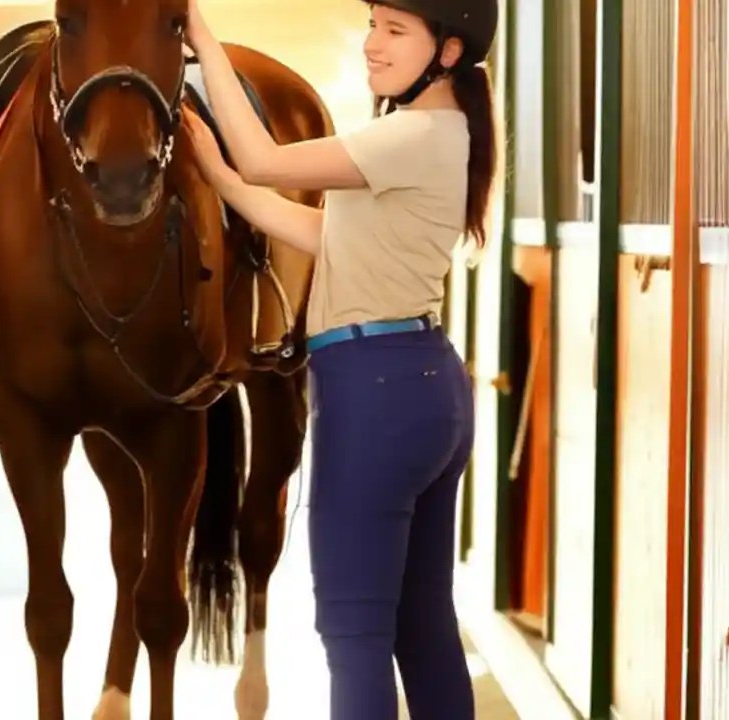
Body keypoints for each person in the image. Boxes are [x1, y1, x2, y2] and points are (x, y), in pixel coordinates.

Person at [181, 0, 499, 717]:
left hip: (375, 390)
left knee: (353, 635)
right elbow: (332, 235)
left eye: (395, 31)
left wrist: (199, 33)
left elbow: (264, 159)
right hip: (426, 383)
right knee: (422, 631)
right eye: (373, 26)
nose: (371, 45)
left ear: (447, 53)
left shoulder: (412, 133)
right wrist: (224, 182)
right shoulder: (437, 134)